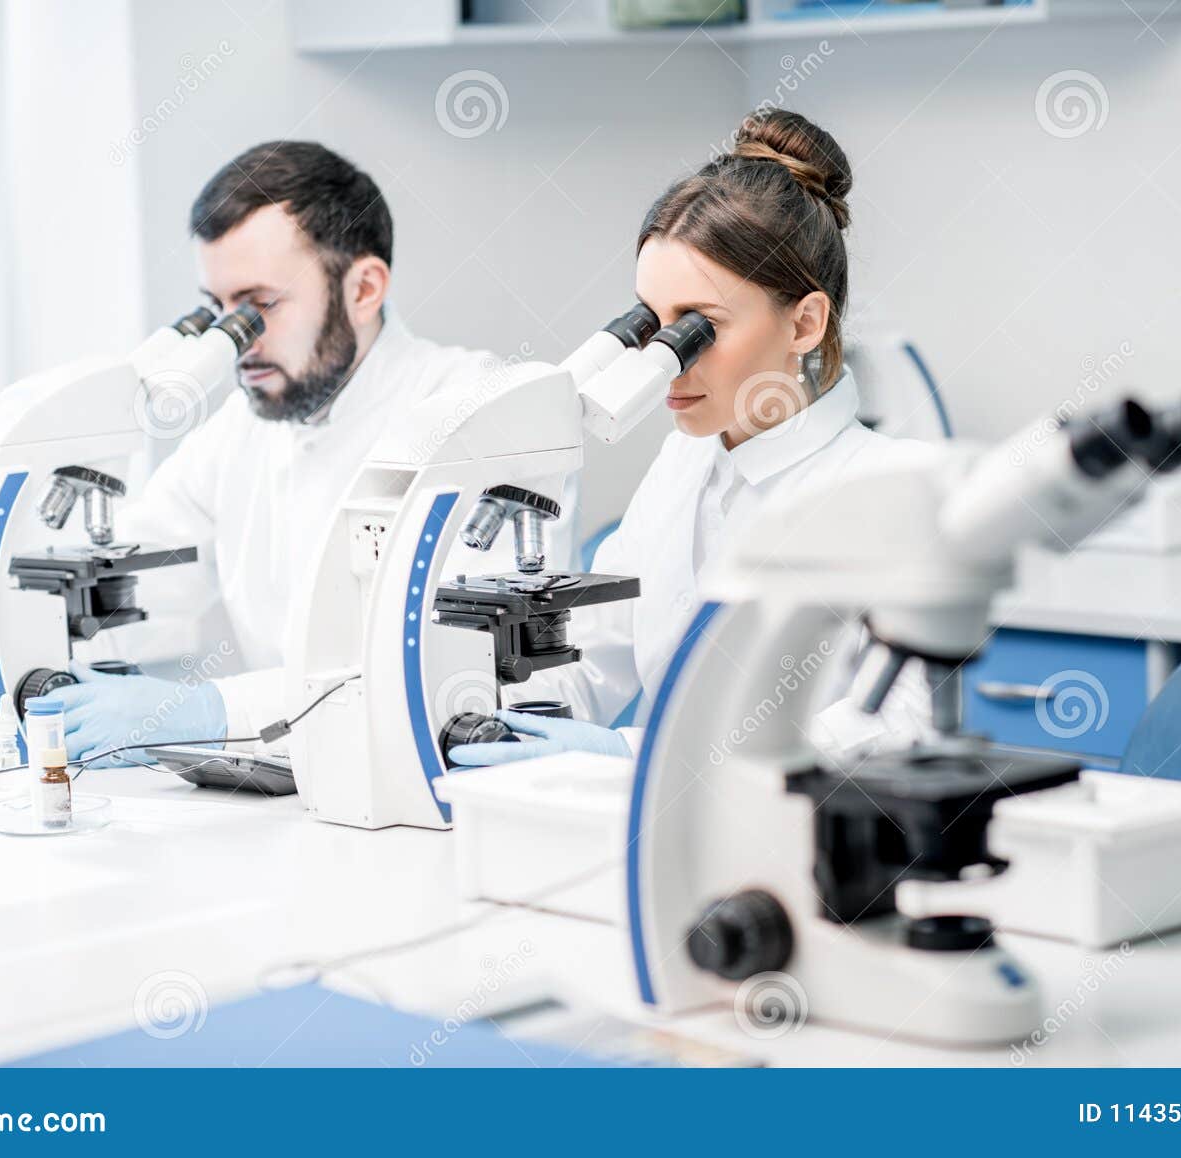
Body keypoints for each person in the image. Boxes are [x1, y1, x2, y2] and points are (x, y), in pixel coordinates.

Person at [449, 109, 934, 767]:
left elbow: (896, 725)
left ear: (804, 324)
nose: (663, 358)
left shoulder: (888, 488)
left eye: (697, 328)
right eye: (650, 322)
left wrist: (630, 753)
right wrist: (476, 708)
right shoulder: (685, 462)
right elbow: (597, 654)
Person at [58, 142, 531, 763]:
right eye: (218, 310)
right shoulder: (240, 429)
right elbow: (142, 582)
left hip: (425, 783)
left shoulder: (472, 407)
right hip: (286, 786)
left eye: (259, 307)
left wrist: (214, 712)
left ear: (363, 288)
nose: (236, 343)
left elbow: (434, 668)